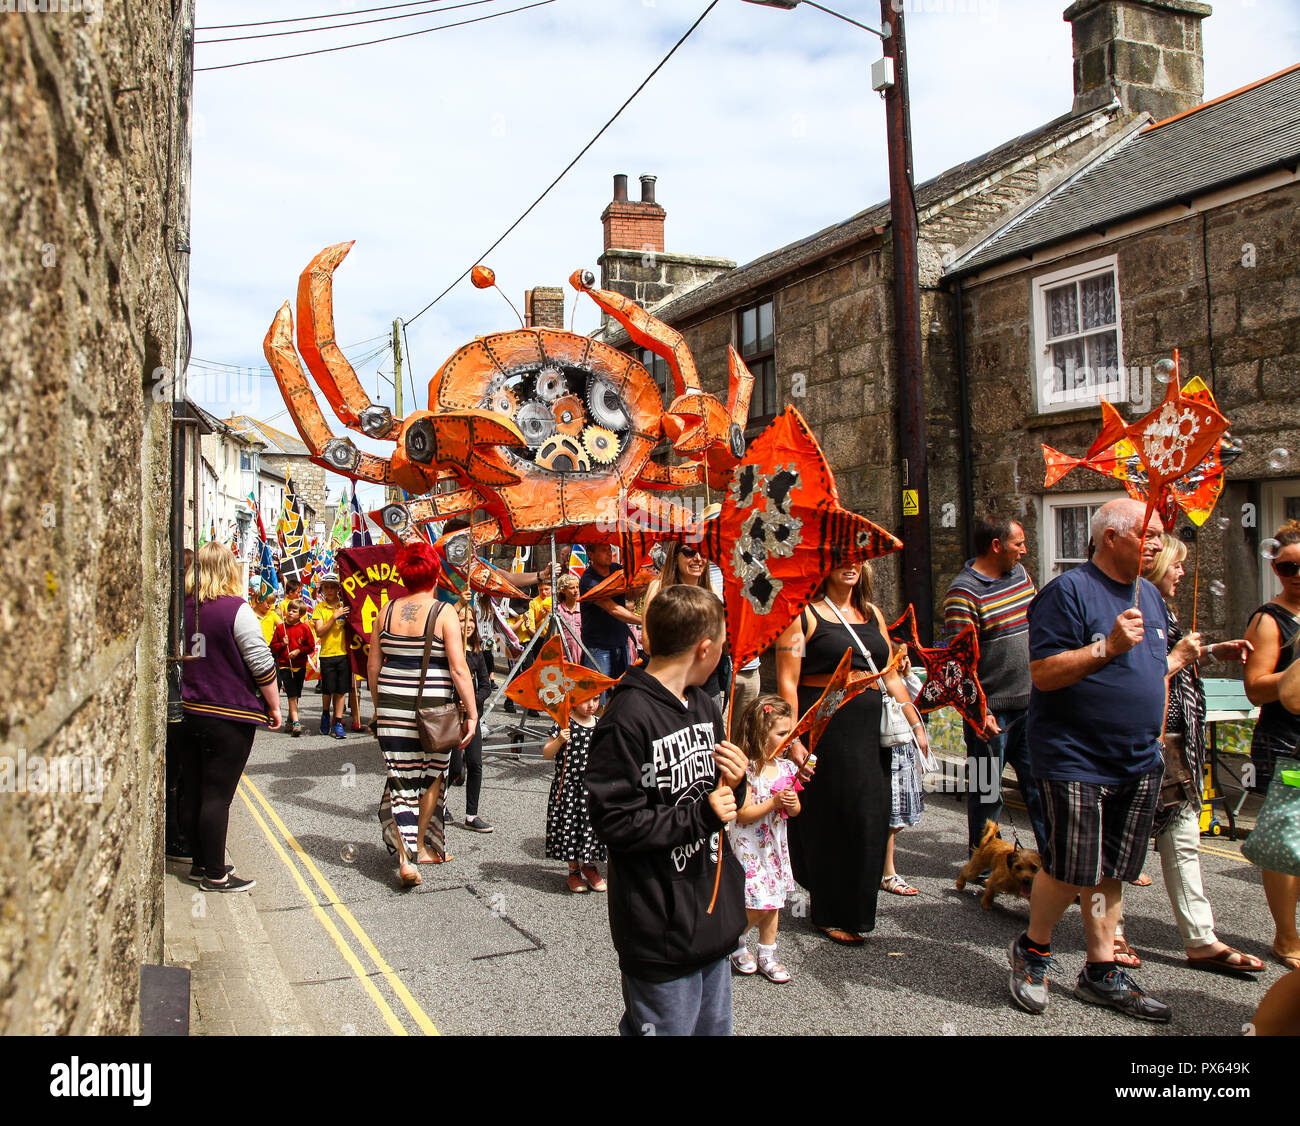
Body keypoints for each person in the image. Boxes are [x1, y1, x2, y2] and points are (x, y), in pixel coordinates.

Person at [1008, 498, 1173, 1022]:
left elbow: (1151, 670)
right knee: (1072, 868)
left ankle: (1100, 969)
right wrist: (1107, 648)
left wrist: (1159, 732)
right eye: (1148, 534)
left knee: (1110, 872)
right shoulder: (1068, 593)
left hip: (1137, 757)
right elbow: (1044, 673)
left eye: (1159, 535)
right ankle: (1033, 950)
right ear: (1110, 538)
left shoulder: (1150, 594)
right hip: (1074, 755)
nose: (1157, 544)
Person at [585, 584, 749, 1036]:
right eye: (722, 643)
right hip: (658, 925)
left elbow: (718, 798)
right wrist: (702, 817)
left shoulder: (702, 705)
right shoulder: (627, 716)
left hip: (711, 917)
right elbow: (614, 821)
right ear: (705, 648)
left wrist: (737, 782)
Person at [1110, 534, 1260, 974]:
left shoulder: (1165, 610)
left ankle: (1200, 938)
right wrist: (1180, 658)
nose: (1181, 573)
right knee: (1120, 843)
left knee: (1184, 841)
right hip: (1137, 743)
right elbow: (1131, 681)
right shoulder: (1136, 610)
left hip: (1176, 744)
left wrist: (1211, 652)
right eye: (1176, 566)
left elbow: (1173, 666)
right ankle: (1112, 933)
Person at [775, 560, 928, 943]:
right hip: (827, 728)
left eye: (857, 558)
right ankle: (829, 910)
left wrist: (913, 718)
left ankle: (857, 909)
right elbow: (788, 682)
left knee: (871, 814)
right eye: (841, 558)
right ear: (823, 566)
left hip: (870, 730)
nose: (851, 565)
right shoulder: (803, 615)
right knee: (833, 815)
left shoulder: (872, 613)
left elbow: (889, 671)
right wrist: (793, 738)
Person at [366, 542, 477, 887]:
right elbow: (459, 670)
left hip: (391, 706)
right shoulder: (443, 612)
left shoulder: (385, 612)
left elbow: (373, 665)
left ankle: (409, 854)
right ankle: (411, 854)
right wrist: (472, 713)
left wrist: (380, 705)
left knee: (401, 779)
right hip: (435, 712)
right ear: (435, 573)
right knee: (431, 776)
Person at [180, 542, 282, 891]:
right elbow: (260, 661)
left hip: (191, 710)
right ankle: (215, 874)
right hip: (228, 712)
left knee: (194, 788)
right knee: (218, 795)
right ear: (228, 569)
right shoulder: (235, 609)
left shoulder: (186, 608)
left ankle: (198, 862)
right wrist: (274, 705)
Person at [943, 515, 1046, 857]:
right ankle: (983, 862)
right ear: (996, 546)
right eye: (1019, 544)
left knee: (1041, 789)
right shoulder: (962, 593)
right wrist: (978, 711)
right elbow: (958, 664)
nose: (1025, 550)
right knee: (988, 791)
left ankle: (1055, 867)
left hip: (1032, 707)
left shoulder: (1020, 575)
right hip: (989, 716)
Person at [1243, 519, 1300, 970]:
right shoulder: (1268, 619)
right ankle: (1285, 936)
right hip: (1288, 743)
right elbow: (1257, 689)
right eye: (1286, 567)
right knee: (1285, 839)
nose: (1296, 574)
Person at [729, 695, 801, 984]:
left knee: (774, 902)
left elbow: (795, 811)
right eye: (782, 734)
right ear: (761, 732)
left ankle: (767, 952)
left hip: (774, 846)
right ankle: (735, 940)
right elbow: (743, 815)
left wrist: (791, 802)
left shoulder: (786, 768)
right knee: (757, 901)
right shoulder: (748, 770)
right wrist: (773, 803)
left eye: (790, 733)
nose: (788, 739)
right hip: (750, 846)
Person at [644, 541, 726, 713]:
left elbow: (721, 640)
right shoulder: (659, 588)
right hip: (669, 685)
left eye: (703, 553)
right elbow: (648, 643)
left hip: (707, 686)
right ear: (675, 556)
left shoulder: (714, 590)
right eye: (689, 552)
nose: (697, 558)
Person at [542, 695, 607, 893]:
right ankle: (574, 870)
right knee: (570, 827)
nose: (591, 705)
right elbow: (546, 753)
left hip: (592, 788)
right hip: (570, 787)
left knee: (591, 828)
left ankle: (590, 865)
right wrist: (560, 739)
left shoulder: (599, 724)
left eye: (596, 699)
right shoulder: (564, 723)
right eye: (586, 700)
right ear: (573, 700)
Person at [449, 602, 494, 833]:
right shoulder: (448, 650)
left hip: (471, 715)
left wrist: (472, 701)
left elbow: (486, 686)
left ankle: (471, 815)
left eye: (471, 620)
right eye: (461, 619)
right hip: (451, 717)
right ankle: (440, 805)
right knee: (455, 768)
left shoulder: (477, 653)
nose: (467, 624)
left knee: (475, 763)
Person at [579, 543, 642, 686]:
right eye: (603, 550)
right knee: (597, 696)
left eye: (610, 550)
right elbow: (612, 609)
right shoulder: (588, 580)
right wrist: (644, 620)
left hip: (621, 642)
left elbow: (631, 595)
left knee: (620, 692)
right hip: (598, 646)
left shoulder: (617, 570)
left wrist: (646, 581)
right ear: (591, 554)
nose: (609, 554)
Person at [311, 575, 351, 739]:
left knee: (341, 690)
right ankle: (326, 714)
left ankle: (339, 721)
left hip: (343, 654)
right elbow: (319, 632)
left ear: (337, 589)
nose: (329, 590)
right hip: (327, 654)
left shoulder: (344, 606)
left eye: (332, 587)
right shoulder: (320, 608)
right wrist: (334, 617)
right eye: (325, 587)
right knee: (327, 690)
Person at [269, 599, 316, 737]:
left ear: (300, 614)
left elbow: (310, 647)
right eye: (289, 610)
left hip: (299, 665)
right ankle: (296, 723)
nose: (290, 613)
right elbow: (273, 647)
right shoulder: (280, 628)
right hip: (285, 665)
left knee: (296, 694)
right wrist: (282, 644)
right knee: (291, 694)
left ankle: (289, 720)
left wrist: (298, 651)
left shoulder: (305, 628)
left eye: (294, 611)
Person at [553, 573, 586, 666]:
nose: (576, 591)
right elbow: (553, 633)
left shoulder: (582, 608)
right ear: (563, 590)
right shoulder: (558, 610)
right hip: (564, 651)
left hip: (582, 651)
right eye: (572, 588)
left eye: (577, 587)